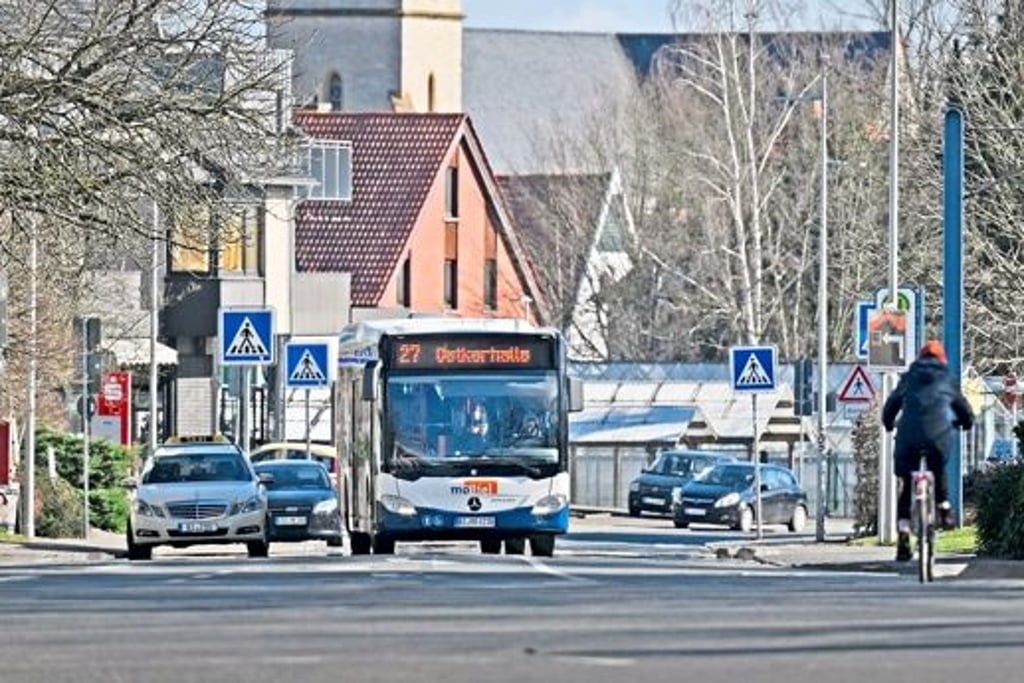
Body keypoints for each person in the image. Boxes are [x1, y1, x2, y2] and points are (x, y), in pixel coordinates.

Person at [882, 340, 974, 562]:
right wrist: (966, 423)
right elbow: (963, 409)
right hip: (938, 437)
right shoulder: (947, 379)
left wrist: (888, 424)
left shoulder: (908, 378)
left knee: (906, 485)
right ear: (942, 360)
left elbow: (891, 405)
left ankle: (903, 531)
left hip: (908, 437)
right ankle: (944, 507)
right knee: (937, 468)